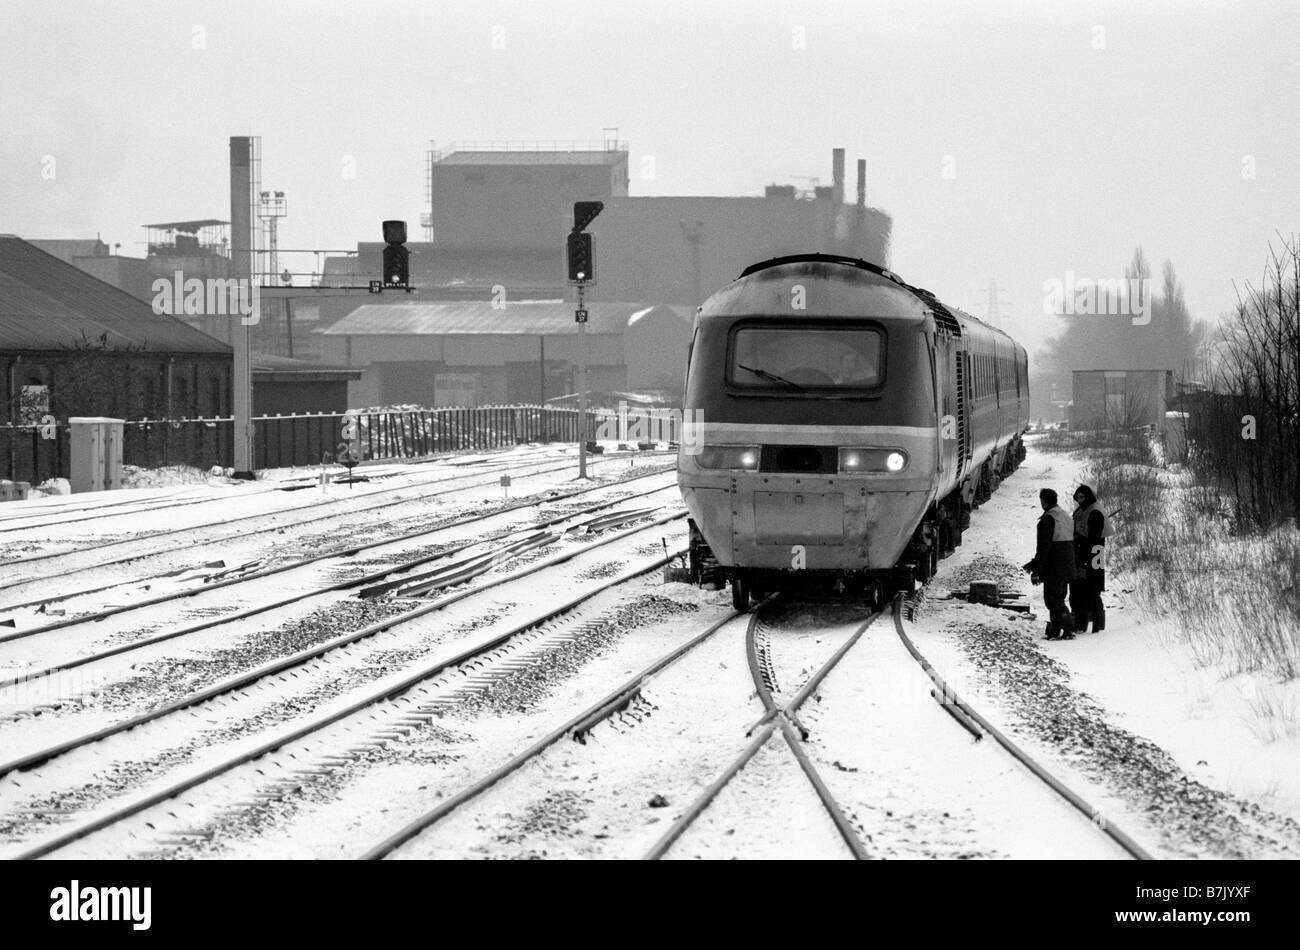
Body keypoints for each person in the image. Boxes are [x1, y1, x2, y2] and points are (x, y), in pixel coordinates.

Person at [1022, 488, 1077, 640]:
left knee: (1053, 600)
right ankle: (1057, 630)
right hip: (1067, 564)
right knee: (1058, 598)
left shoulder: (1048, 519)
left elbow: (1044, 548)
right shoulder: (1065, 516)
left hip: (1055, 566)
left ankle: (1067, 628)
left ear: (1043, 501)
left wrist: (1037, 570)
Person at [1070, 483, 1112, 632]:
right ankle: (1086, 623)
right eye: (1078, 497)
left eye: (1082, 497)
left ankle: (1095, 625)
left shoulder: (1094, 512)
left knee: (1091, 592)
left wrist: (1085, 563)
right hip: (1087, 555)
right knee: (1081, 591)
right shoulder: (1082, 510)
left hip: (1093, 556)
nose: (1080, 500)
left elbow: (1094, 540)